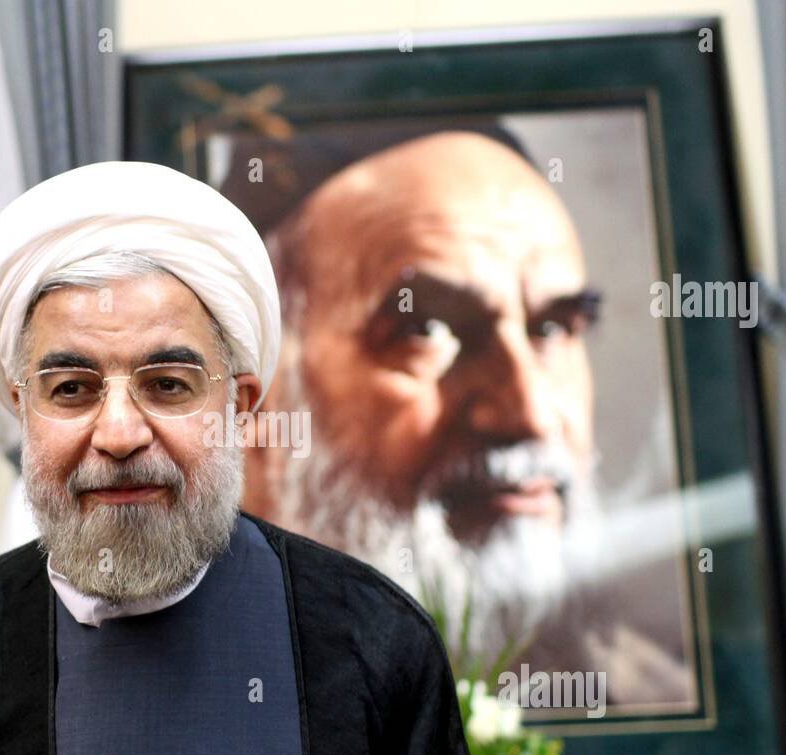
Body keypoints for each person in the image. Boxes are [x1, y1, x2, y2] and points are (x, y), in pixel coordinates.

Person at [0, 160, 497, 755]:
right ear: (23, 411)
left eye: (167, 385)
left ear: (242, 405)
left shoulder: (376, 642)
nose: (119, 434)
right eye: (71, 389)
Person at [247, 131, 691, 707]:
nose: (527, 413)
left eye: (553, 329)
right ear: (251, 397)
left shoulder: (657, 712)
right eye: (424, 329)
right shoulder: (190, 722)